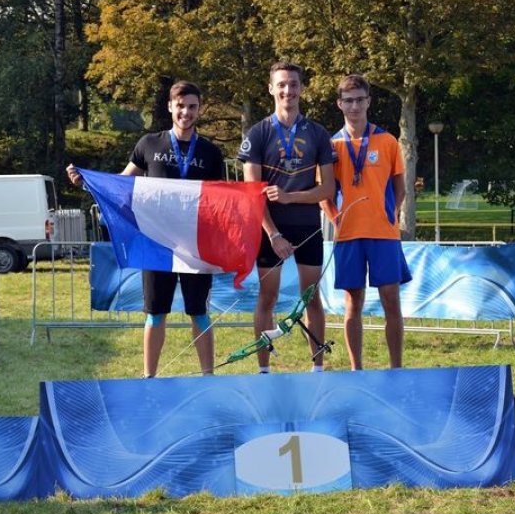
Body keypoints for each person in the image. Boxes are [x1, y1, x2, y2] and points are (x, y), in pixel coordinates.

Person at [67, 81, 225, 378]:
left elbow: (218, 199)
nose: (186, 112)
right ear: (170, 107)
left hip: (194, 246)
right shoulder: (149, 144)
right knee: (155, 313)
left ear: (199, 109)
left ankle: (208, 376)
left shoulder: (210, 153)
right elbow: (122, 185)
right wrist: (88, 182)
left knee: (199, 313)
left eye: (192, 107)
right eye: (180, 106)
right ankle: (149, 377)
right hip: (156, 246)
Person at [238, 61, 336, 373]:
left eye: (293, 84)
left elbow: (328, 189)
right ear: (271, 88)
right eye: (281, 84)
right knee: (267, 299)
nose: (287, 90)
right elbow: (252, 193)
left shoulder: (318, 133)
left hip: (307, 226)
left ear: (301, 89)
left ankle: (317, 369)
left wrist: (291, 196)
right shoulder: (258, 133)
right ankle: (264, 370)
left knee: (312, 299)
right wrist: (274, 235)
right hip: (270, 231)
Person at [320, 74, 412, 371]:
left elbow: (400, 185)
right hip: (348, 236)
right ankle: (356, 369)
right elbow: (325, 193)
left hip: (383, 233)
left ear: (369, 101)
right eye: (349, 101)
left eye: (360, 99)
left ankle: (396, 367)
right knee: (352, 303)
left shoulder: (387, 141)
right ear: (340, 104)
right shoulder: (332, 146)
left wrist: (392, 213)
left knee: (391, 301)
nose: (355, 106)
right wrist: (337, 220)